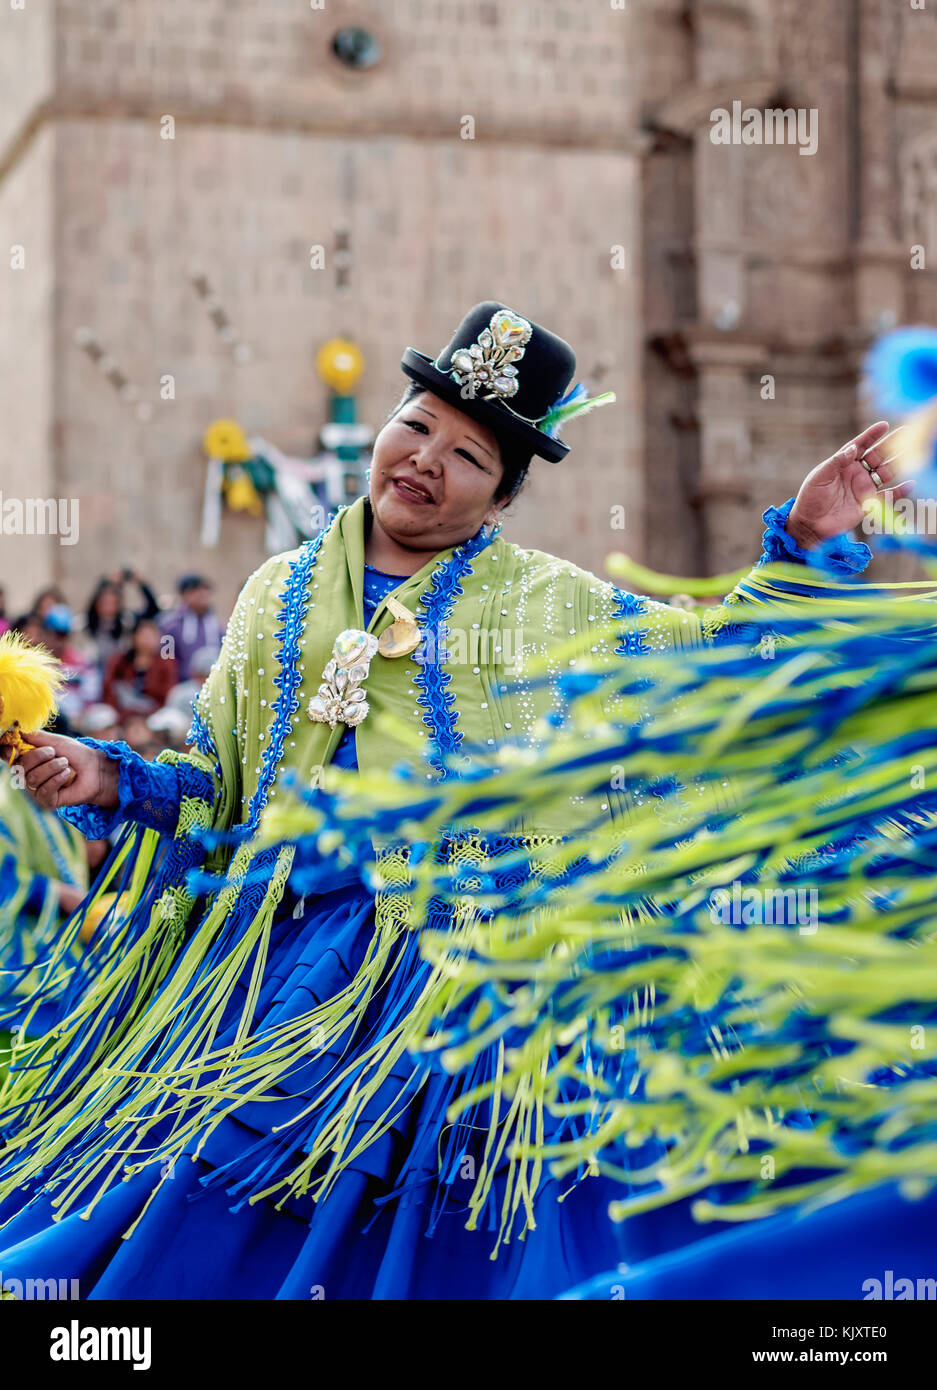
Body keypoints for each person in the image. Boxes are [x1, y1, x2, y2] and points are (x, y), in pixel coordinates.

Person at [0, 301, 906, 1300]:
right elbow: (216, 793)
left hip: (468, 984)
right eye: (417, 423)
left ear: (502, 496)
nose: (426, 458)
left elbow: (714, 672)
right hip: (279, 973)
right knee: (208, 1205)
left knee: (454, 1232)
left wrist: (805, 545)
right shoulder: (274, 592)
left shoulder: (553, 603)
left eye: (469, 455)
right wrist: (105, 776)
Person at [101, 615, 178, 721]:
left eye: (152, 636)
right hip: (123, 713)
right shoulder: (119, 661)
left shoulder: (166, 663)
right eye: (144, 636)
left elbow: (167, 694)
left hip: (153, 714)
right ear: (134, 637)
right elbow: (109, 690)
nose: (148, 640)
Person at [84, 570, 160, 677]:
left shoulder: (127, 622)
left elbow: (153, 610)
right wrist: (106, 582)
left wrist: (142, 584)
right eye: (105, 602)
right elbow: (91, 605)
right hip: (95, 673)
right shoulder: (91, 623)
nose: (108, 606)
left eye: (113, 602)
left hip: (120, 674)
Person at [159, 575, 223, 682]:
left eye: (205, 590)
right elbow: (166, 662)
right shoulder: (171, 628)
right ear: (185, 595)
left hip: (216, 686)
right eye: (196, 590)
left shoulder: (219, 627)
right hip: (183, 688)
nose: (202, 594)